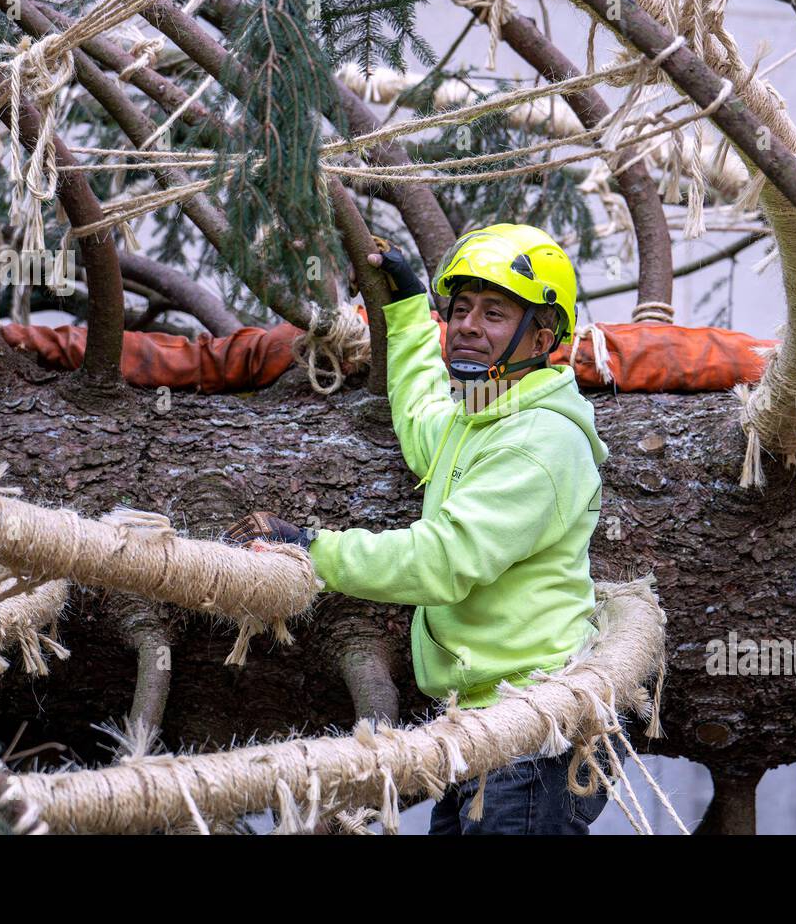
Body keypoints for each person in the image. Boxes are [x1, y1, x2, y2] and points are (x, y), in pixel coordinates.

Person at [229, 224, 616, 834]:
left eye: (494, 313)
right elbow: (419, 413)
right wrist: (409, 308)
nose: (466, 324)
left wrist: (315, 552)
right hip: (480, 729)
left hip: (536, 740)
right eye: (460, 309)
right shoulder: (478, 420)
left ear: (542, 338)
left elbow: (443, 560)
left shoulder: (541, 442)